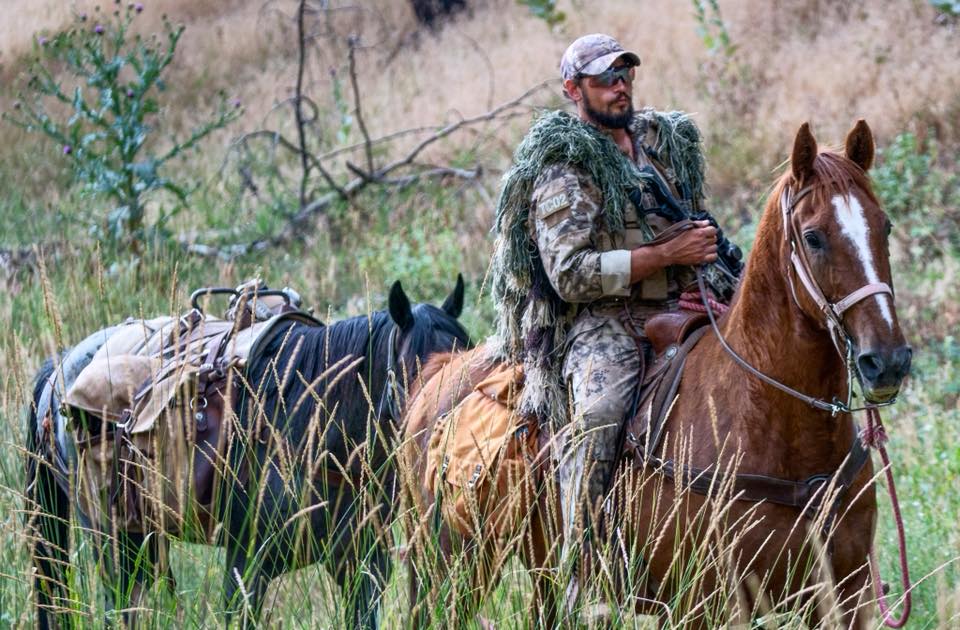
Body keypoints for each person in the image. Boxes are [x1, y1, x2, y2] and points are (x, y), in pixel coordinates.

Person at [489, 33, 730, 614]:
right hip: (605, 322)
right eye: (603, 78)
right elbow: (569, 274)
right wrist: (665, 255)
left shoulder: (659, 144)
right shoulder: (563, 166)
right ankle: (582, 573)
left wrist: (704, 252)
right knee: (597, 417)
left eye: (624, 74)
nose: (619, 86)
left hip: (686, 303)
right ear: (574, 90)